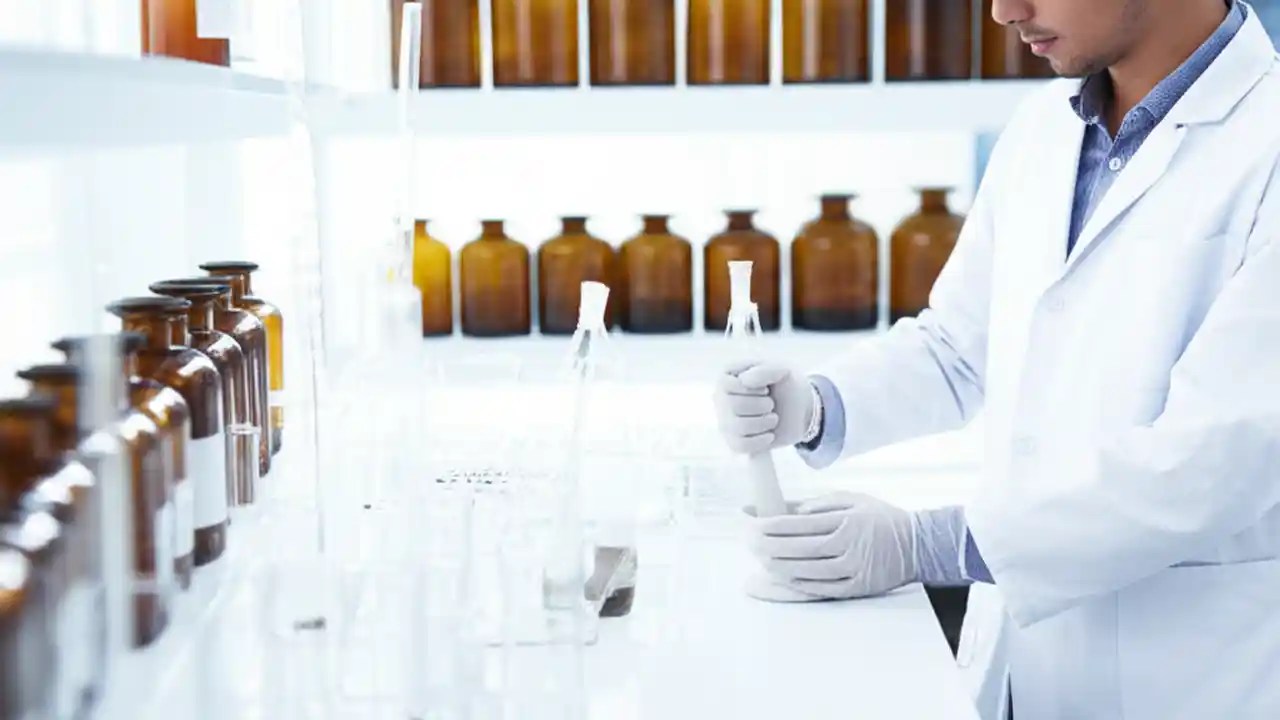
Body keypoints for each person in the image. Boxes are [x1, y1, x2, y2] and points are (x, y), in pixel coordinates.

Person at [713, 1, 1280, 718]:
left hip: (1194, 682)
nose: (1004, 12)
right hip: (1023, 669)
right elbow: (959, 345)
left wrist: (936, 545)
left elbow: (1218, 459)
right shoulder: (1046, 126)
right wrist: (821, 403)